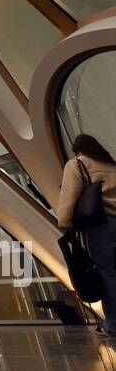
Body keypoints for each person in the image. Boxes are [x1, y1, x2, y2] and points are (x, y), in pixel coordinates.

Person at [58, 134, 116, 336]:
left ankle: (113, 324)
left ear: (78, 150)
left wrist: (63, 223)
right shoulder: (111, 165)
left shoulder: (77, 164)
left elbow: (69, 195)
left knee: (107, 273)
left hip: (102, 226)